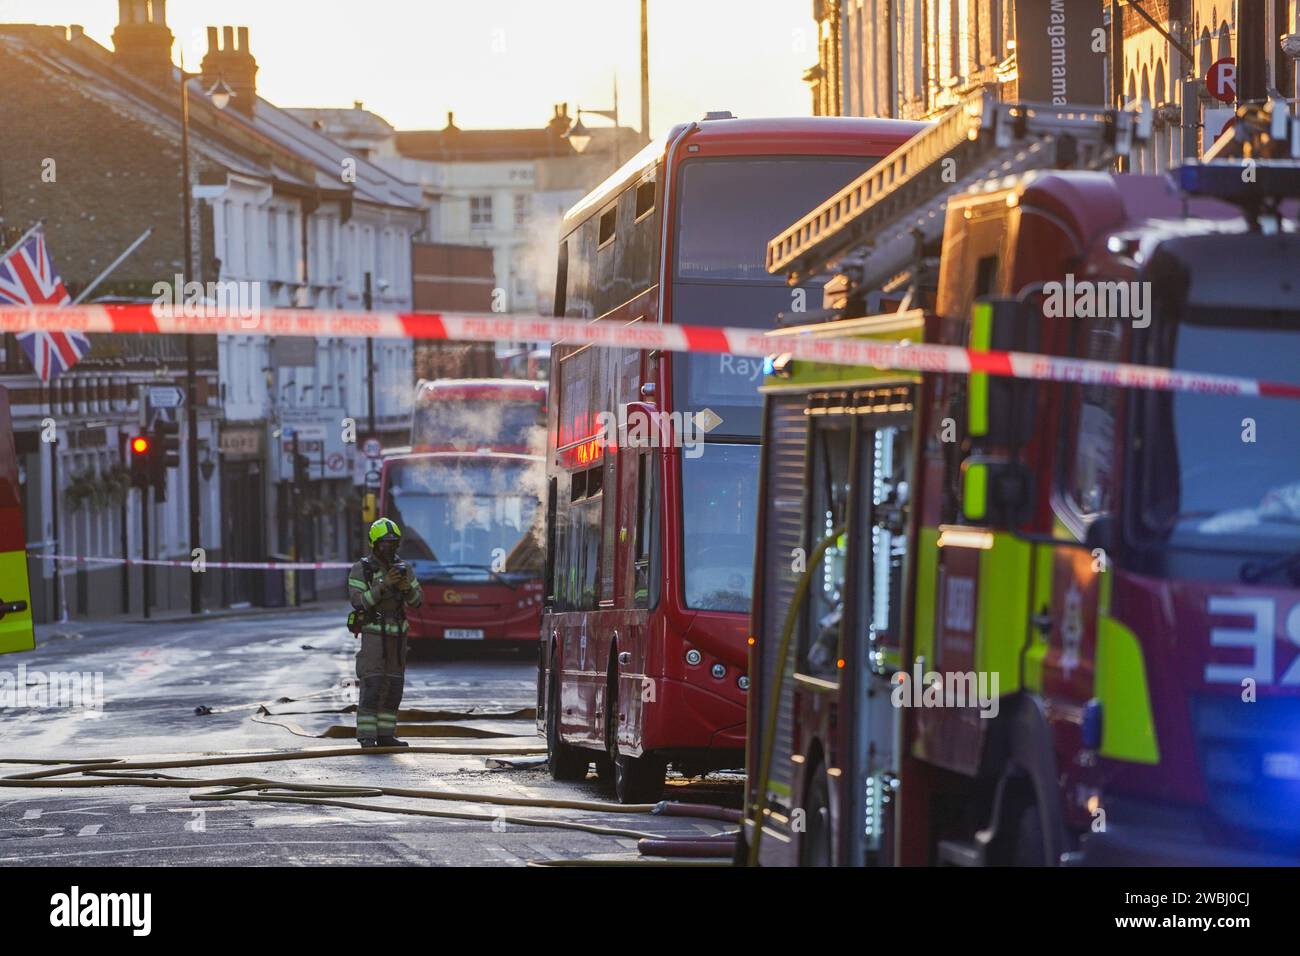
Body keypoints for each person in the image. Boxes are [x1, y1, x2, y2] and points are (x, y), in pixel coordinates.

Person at [348, 518, 423, 748]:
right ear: (374, 544)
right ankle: (367, 736)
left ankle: (386, 735)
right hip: (374, 637)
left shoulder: (404, 569)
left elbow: (418, 602)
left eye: (393, 543)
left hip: (398, 639)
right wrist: (384, 585)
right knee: (372, 685)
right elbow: (359, 602)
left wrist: (406, 588)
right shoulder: (362, 569)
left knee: (393, 688)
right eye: (384, 543)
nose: (389, 547)